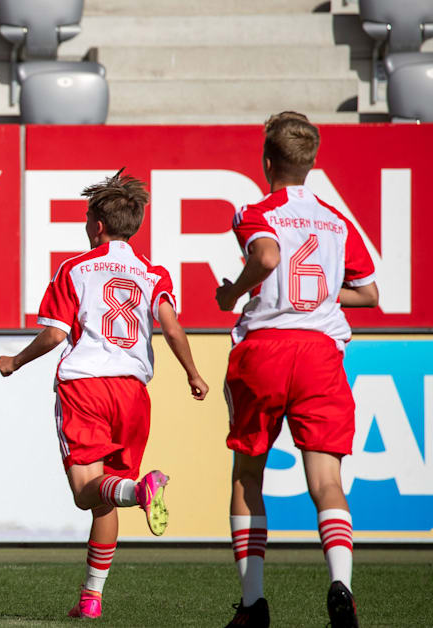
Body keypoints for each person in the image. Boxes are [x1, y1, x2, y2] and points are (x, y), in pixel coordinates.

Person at [0, 170, 208, 620]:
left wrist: (15, 361)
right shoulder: (153, 272)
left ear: (96, 225)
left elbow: (55, 336)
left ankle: (141, 487)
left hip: (85, 386)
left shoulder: (73, 269)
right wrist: (193, 373)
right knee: (107, 497)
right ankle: (91, 597)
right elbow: (171, 326)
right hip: (133, 392)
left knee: (86, 493)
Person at [215, 111, 377, 628]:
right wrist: (327, 293)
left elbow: (264, 257)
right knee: (327, 481)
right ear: (311, 164)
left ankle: (253, 603)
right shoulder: (335, 220)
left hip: (266, 349)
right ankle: (341, 584)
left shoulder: (256, 209)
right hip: (321, 354)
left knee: (248, 475)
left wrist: (231, 293)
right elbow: (370, 294)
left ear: (267, 162)